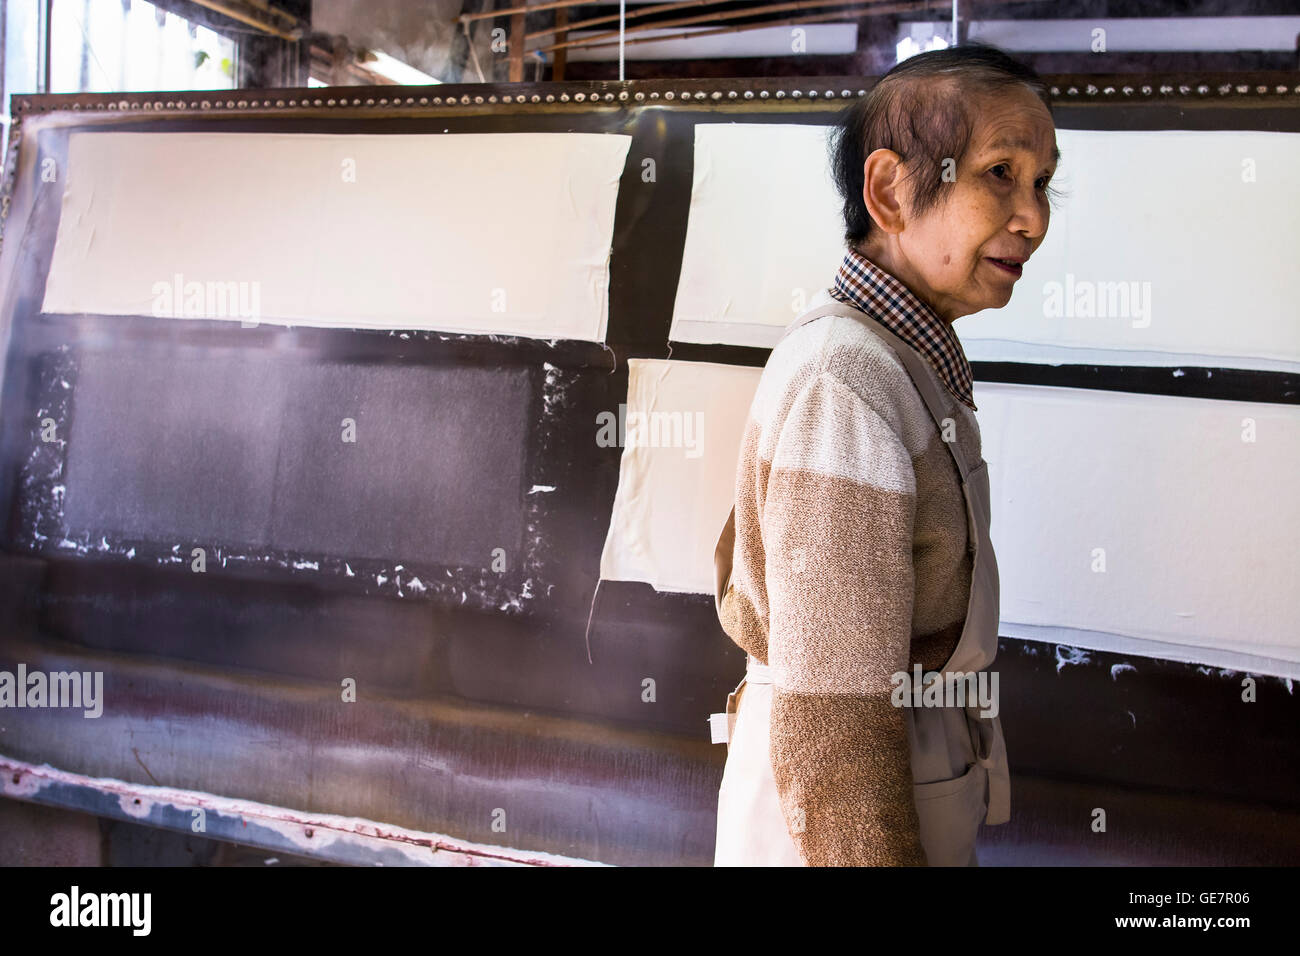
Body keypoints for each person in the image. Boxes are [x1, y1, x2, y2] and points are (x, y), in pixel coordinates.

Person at [712, 42, 1060, 866]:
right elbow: (834, 725)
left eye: (1042, 183)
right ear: (890, 190)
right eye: (999, 174)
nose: (1035, 219)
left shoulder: (902, 355)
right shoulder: (847, 378)